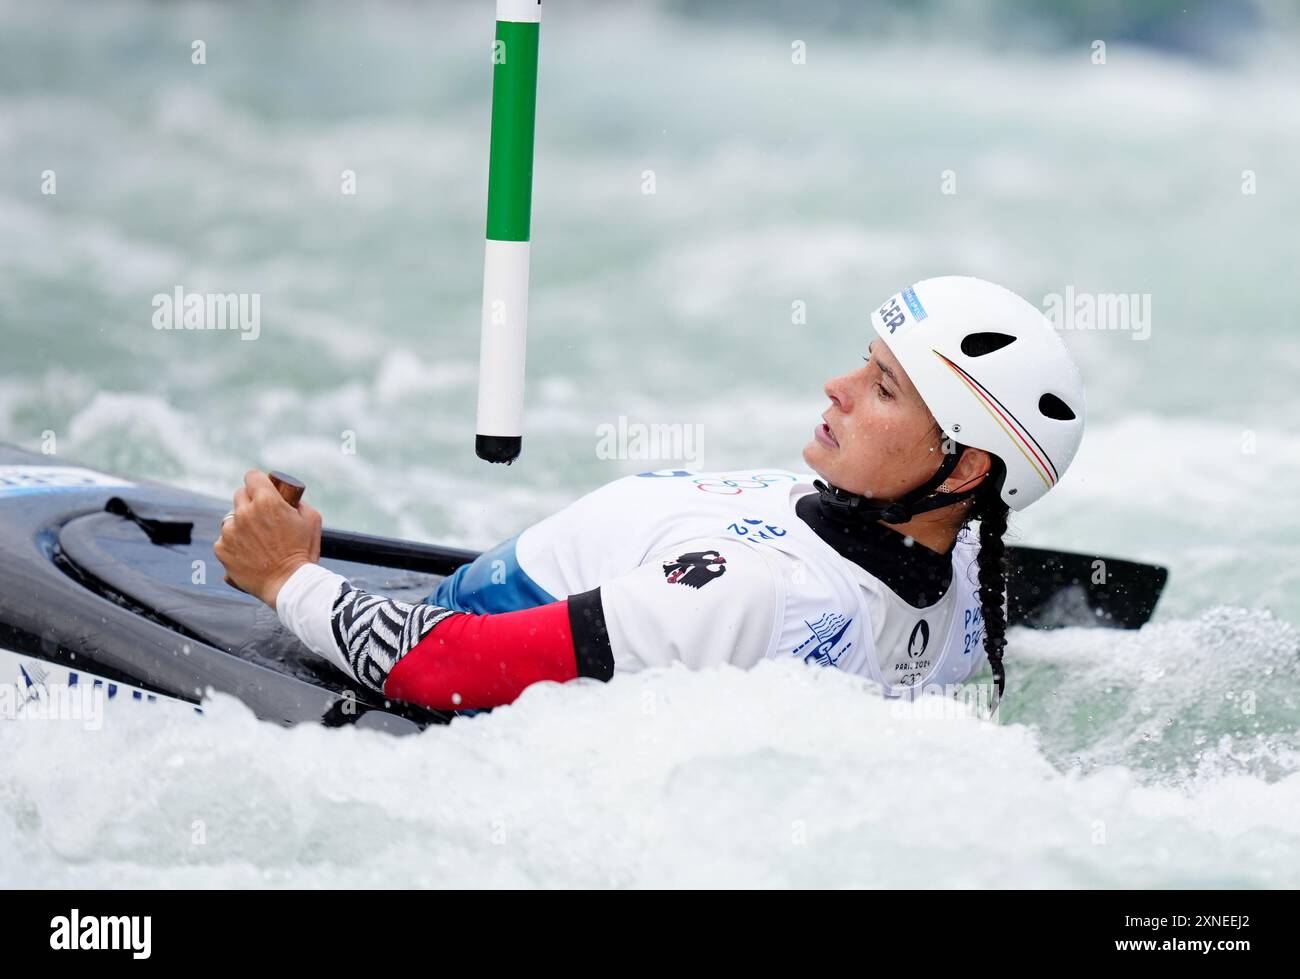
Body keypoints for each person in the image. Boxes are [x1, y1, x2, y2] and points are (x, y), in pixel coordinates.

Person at [215, 276, 1085, 713]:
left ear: (965, 469)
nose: (837, 386)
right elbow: (440, 663)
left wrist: (285, 574)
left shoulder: (752, 593)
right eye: (864, 360)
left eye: (884, 387)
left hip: (444, 655)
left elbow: (442, 670)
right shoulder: (968, 578)